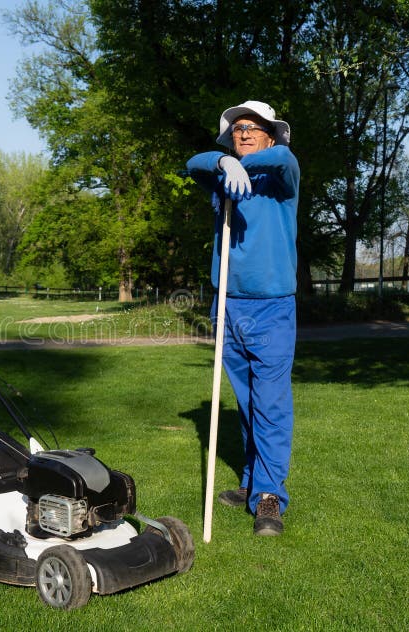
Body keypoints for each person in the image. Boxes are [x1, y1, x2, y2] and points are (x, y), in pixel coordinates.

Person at [186, 100, 299, 536]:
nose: (245, 133)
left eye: (254, 128)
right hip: (229, 304)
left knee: (270, 403)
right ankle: (253, 481)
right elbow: (192, 165)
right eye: (238, 129)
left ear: (270, 135)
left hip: (271, 308)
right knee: (248, 402)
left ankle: (269, 498)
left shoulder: (281, 178)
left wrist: (246, 162)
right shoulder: (223, 178)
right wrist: (221, 161)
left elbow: (287, 158)